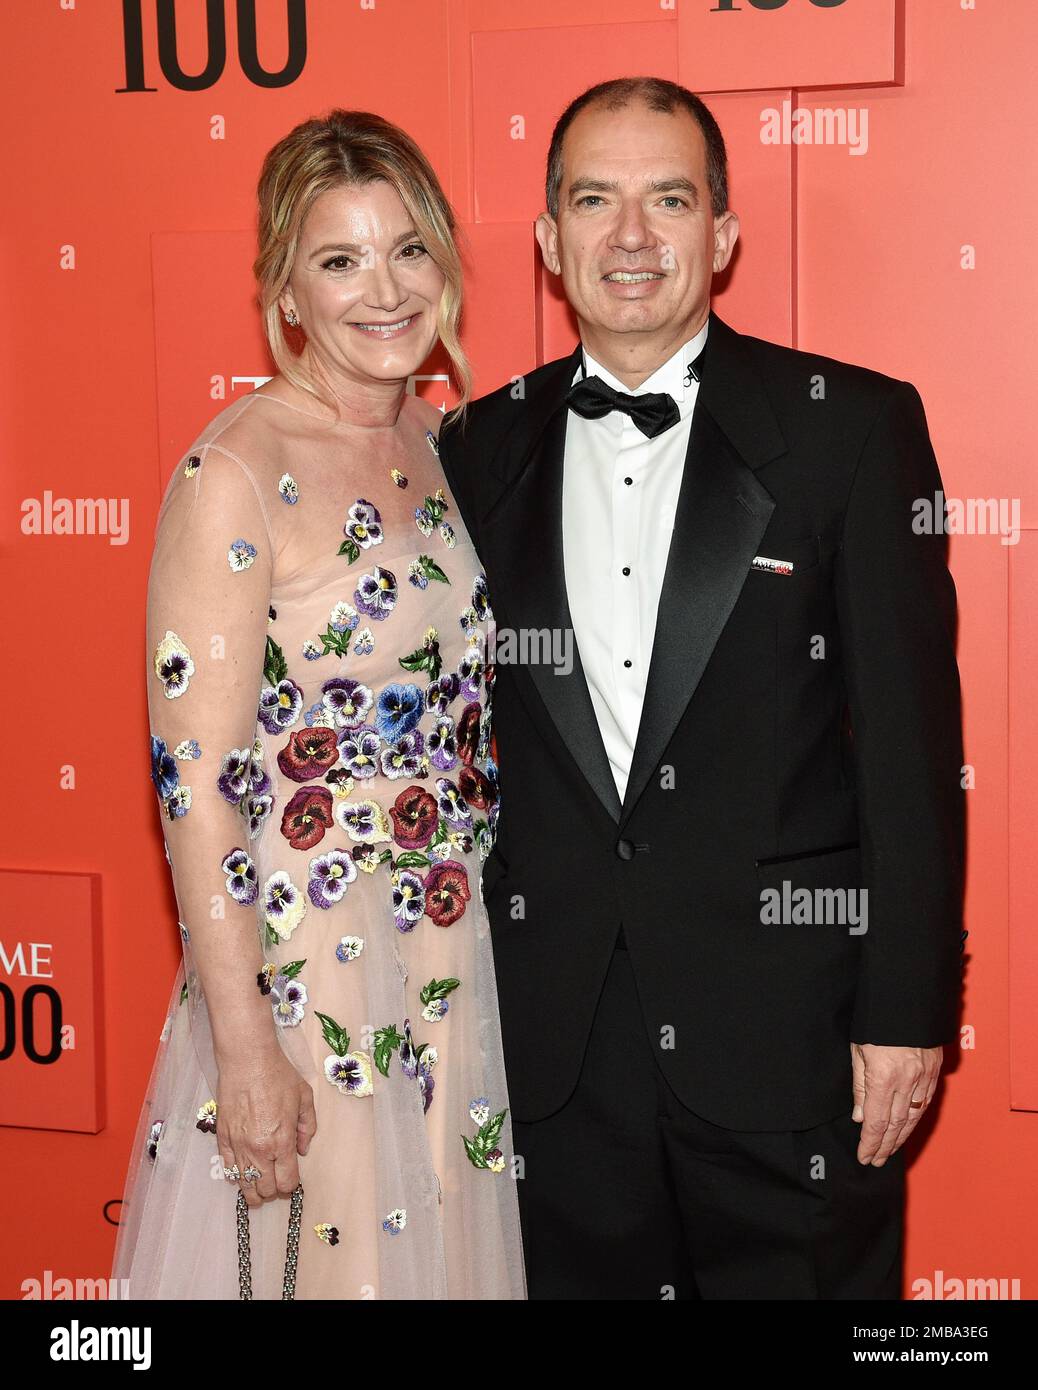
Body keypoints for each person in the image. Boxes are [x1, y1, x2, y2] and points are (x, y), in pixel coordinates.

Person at [436, 76, 966, 1300]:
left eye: (668, 199)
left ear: (722, 235)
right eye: (594, 200)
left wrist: (907, 1009)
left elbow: (910, 753)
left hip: (790, 1046)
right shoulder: (473, 450)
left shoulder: (851, 430)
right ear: (547, 240)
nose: (630, 237)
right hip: (555, 1055)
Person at [111, 109, 525, 1300]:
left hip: (445, 953)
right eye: (340, 260)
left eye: (407, 250)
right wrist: (245, 1050)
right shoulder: (235, 474)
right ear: (283, 289)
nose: (383, 291)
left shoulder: (436, 437)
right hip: (312, 981)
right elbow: (195, 788)